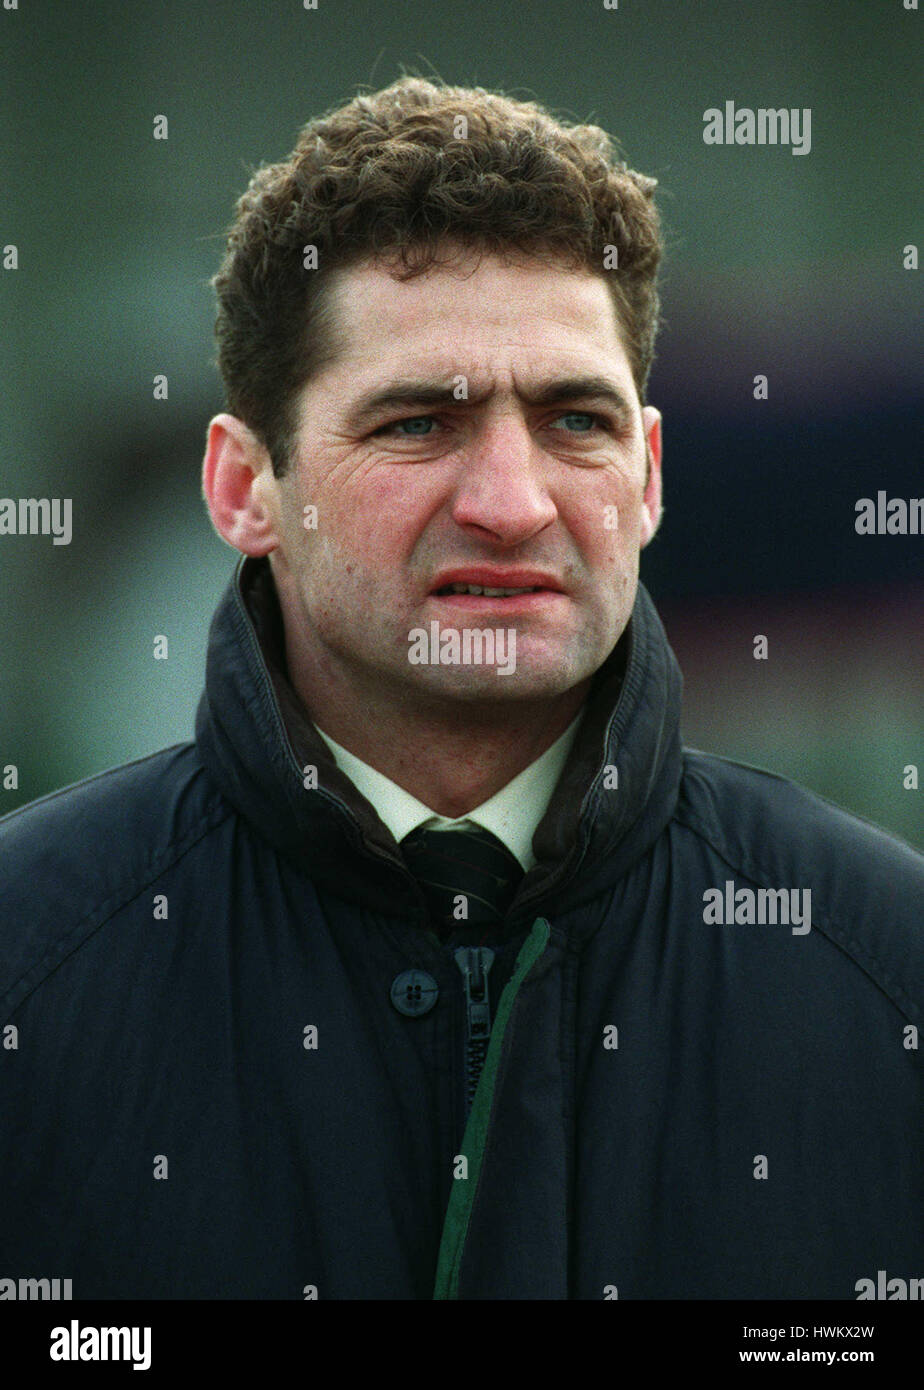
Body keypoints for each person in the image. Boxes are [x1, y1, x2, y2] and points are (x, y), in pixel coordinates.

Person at [1, 77, 921, 1302]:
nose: (510, 499)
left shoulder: (889, 970)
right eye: (418, 423)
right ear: (243, 488)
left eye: (573, 419)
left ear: (649, 477)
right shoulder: (27, 964)